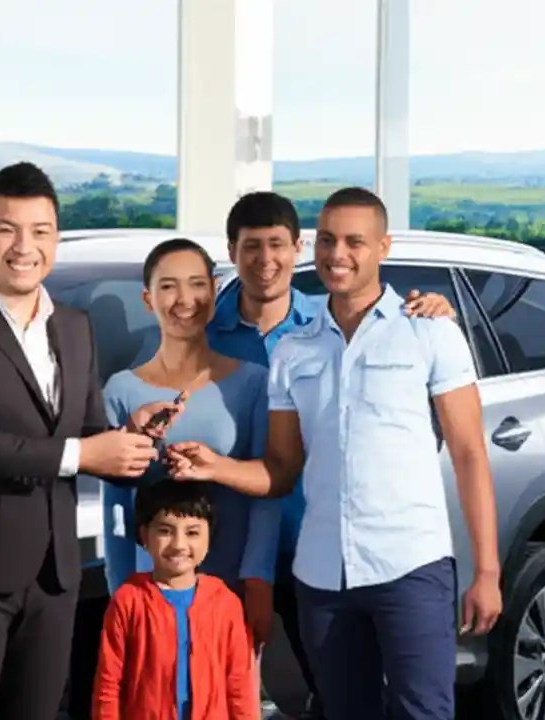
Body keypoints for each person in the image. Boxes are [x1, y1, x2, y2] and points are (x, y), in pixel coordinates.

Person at [168, 187, 503, 720]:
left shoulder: (430, 334)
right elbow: (280, 470)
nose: (337, 254)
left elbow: (468, 454)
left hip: (411, 566)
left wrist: (487, 571)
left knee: (425, 714)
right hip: (321, 577)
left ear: (384, 247)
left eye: (354, 241)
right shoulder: (295, 351)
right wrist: (216, 466)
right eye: (327, 240)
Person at [0, 161, 185, 720]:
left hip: (53, 574)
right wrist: (83, 454)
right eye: (7, 229)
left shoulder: (73, 326)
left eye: (41, 231)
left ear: (56, 238)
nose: (24, 246)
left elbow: (84, 431)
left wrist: (127, 436)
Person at [99, 238, 274, 697]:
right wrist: (122, 593)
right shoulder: (121, 391)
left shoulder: (253, 381)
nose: (184, 301)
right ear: (148, 298)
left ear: (215, 292)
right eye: (169, 287)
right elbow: (115, 508)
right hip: (152, 591)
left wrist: (259, 578)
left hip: (231, 585)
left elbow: (268, 490)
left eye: (197, 285)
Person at [92, 479, 259, 720]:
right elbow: (108, 684)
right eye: (165, 531)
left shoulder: (226, 603)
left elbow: (240, 685)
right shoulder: (128, 600)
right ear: (145, 536)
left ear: (209, 538)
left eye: (192, 532)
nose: (179, 544)